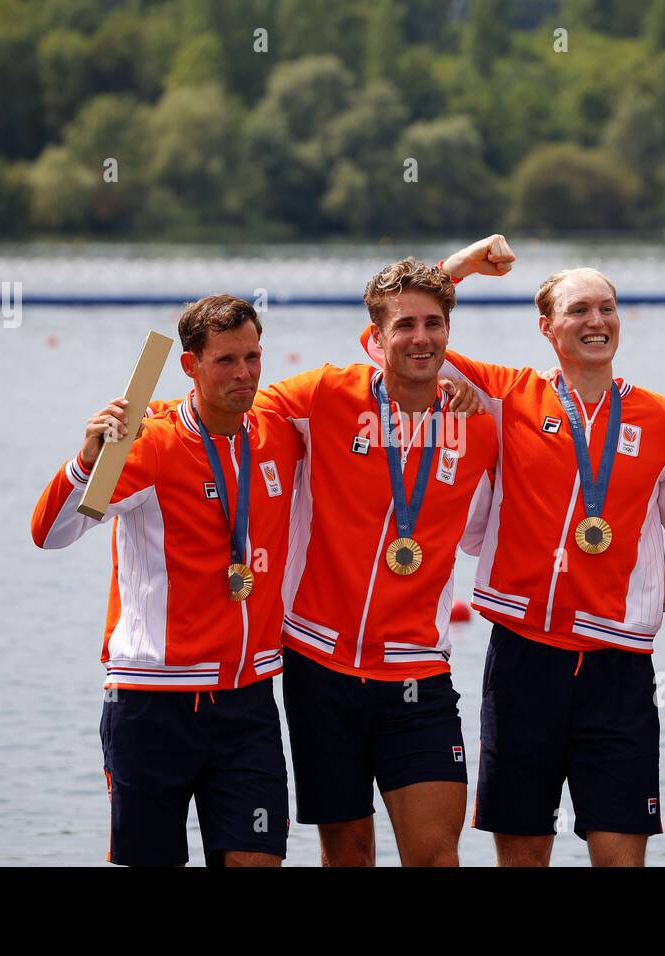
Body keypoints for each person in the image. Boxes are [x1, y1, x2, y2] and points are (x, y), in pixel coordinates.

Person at [369, 237, 665, 867]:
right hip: (524, 658)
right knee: (521, 855)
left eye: (606, 309)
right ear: (546, 327)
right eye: (578, 311)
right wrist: (457, 269)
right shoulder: (507, 394)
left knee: (619, 857)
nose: (595, 322)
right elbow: (385, 339)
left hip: (619, 666)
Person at [30, 295, 304, 867]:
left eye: (253, 357)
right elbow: (51, 534)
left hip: (248, 700)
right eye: (226, 361)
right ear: (189, 366)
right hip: (152, 702)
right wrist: (86, 459)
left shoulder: (276, 433)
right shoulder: (150, 445)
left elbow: (381, 370)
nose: (244, 374)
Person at [257, 257, 499, 866]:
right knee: (348, 850)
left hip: (416, 669)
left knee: (435, 855)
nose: (421, 338)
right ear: (375, 337)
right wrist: (130, 427)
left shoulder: (480, 422)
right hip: (319, 662)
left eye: (434, 324)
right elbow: (223, 407)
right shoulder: (323, 396)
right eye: (404, 326)